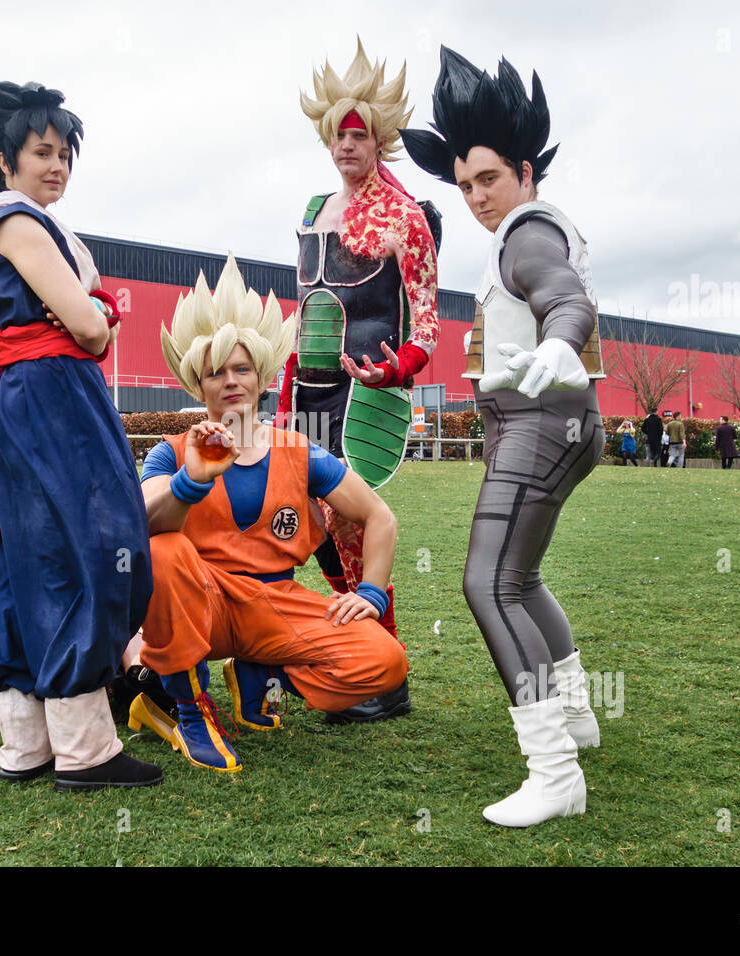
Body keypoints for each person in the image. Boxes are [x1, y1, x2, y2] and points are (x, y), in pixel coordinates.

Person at [402, 47, 605, 826]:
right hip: (557, 421)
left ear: (523, 169)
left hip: (541, 420)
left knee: (487, 586)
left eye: (487, 178)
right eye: (463, 186)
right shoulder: (528, 228)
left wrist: (560, 339)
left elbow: (564, 296)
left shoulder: (527, 231)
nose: (477, 196)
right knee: (519, 580)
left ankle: (553, 773)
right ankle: (578, 717)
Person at [0, 80, 159, 791]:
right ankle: (85, 751)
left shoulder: (20, 222)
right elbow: (86, 324)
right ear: (6, 161)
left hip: (29, 399)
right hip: (55, 400)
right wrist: (99, 317)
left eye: (65, 155)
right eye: (42, 152)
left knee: (25, 555)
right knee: (92, 547)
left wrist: (89, 320)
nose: (57, 166)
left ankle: (31, 744)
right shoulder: (17, 222)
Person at [133, 255, 407, 773]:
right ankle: (192, 713)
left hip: (275, 604)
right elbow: (143, 523)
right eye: (216, 372)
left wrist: (370, 592)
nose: (231, 381)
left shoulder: (297, 451)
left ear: (262, 377)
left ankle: (264, 673)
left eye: (242, 369)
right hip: (203, 605)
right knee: (162, 550)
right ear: (198, 386)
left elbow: (378, 516)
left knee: (384, 660)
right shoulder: (171, 452)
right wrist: (192, 481)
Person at [275, 38, 441, 723]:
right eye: (338, 134)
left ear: (378, 139)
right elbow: (302, 313)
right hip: (306, 396)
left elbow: (427, 325)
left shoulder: (408, 217)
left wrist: (395, 368)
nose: (348, 145)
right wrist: (282, 389)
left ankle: (383, 674)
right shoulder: (315, 210)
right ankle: (346, 655)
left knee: (350, 527)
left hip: (362, 399)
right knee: (300, 527)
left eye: (359, 133)